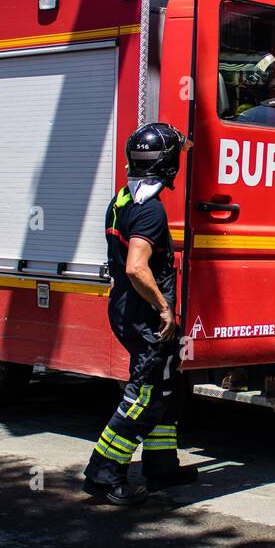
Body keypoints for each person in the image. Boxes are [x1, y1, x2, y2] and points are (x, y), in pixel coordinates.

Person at [81, 122, 198, 506]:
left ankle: (161, 465)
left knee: (168, 388)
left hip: (126, 308)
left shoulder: (123, 199)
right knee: (145, 394)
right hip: (144, 312)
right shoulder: (151, 210)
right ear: (167, 166)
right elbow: (135, 266)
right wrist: (163, 307)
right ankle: (103, 473)